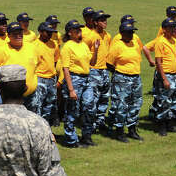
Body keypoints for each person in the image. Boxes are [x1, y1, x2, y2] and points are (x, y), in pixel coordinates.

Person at [106, 20, 153, 141]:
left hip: (136, 77)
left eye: (132, 32)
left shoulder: (135, 44)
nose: (131, 34)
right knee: (121, 105)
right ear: (122, 33)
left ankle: (132, 129)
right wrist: (120, 74)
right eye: (128, 32)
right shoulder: (117, 46)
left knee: (136, 103)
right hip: (122, 77)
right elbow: (109, 64)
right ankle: (119, 131)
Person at [60, 19, 98, 147]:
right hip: (74, 79)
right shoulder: (67, 47)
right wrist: (71, 89)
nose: (79, 31)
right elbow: (65, 69)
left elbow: (92, 63)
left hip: (87, 79)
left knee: (89, 107)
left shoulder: (83, 44)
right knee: (72, 110)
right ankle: (71, 140)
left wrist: (96, 50)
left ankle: (86, 136)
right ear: (70, 33)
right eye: (76, 30)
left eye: (79, 29)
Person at [152, 18, 176, 136]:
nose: (174, 30)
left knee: (175, 101)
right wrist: (164, 79)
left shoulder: (174, 41)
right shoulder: (160, 42)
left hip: (175, 75)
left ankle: (170, 124)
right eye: (171, 28)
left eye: (174, 28)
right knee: (164, 101)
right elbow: (158, 62)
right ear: (164, 29)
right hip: (166, 75)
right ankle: (161, 126)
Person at [31, 21, 61, 126]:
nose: (50, 34)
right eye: (47, 32)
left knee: (50, 103)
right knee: (37, 104)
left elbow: (56, 60)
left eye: (51, 32)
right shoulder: (34, 45)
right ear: (40, 32)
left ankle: (45, 126)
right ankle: (36, 126)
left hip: (51, 79)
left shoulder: (54, 44)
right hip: (39, 78)